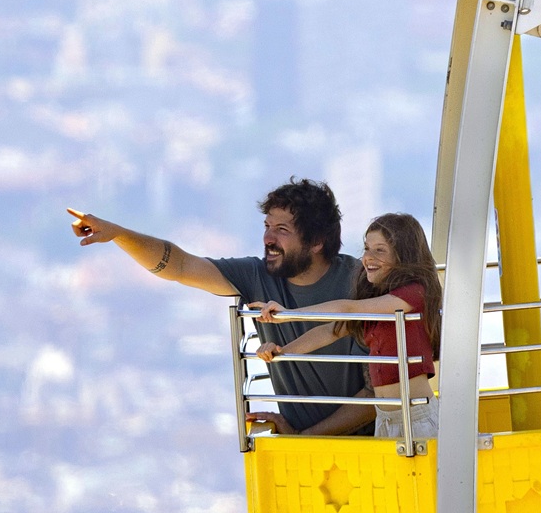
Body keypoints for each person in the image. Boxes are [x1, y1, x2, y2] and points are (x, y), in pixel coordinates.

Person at [67, 179, 374, 436]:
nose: (268, 238)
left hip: (379, 451)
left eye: (282, 229)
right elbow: (181, 265)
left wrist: (306, 438)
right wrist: (119, 234)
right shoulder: (257, 276)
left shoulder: (361, 283)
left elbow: (378, 394)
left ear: (317, 241)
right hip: (303, 454)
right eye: (267, 226)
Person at [256, 213, 440, 440]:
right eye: (366, 248)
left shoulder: (415, 293)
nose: (367, 257)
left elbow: (348, 309)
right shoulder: (377, 301)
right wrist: (282, 352)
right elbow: (329, 331)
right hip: (385, 418)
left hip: (417, 416)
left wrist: (288, 315)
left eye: (379, 250)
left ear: (404, 255)